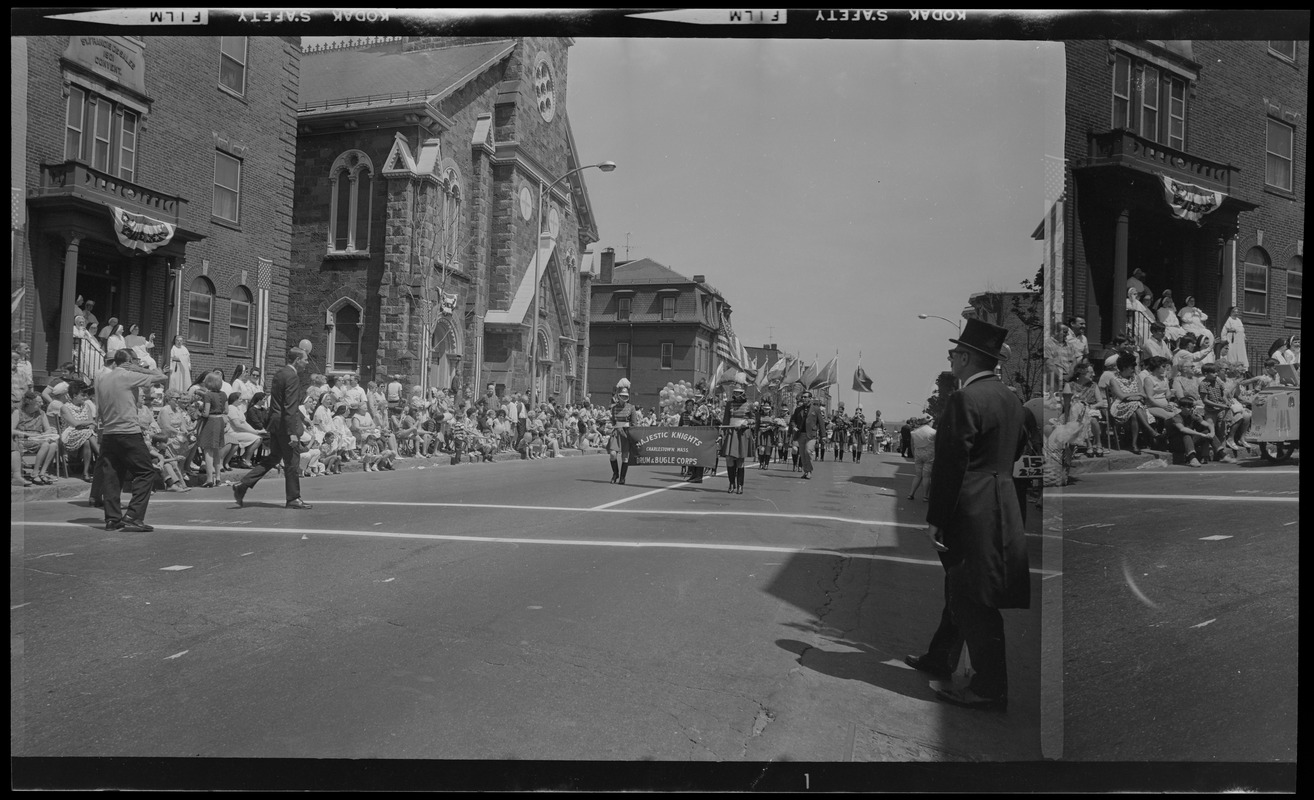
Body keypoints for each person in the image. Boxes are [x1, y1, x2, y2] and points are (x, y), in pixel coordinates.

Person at [917, 318, 1030, 712]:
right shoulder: (1010, 399)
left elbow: (951, 465)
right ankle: (940, 657)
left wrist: (937, 517)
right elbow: (1017, 450)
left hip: (971, 507)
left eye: (954, 353)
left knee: (971, 598)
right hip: (1001, 501)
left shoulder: (966, 399)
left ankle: (989, 688)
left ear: (966, 358)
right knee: (963, 588)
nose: (951, 359)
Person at [94, 348, 169, 531]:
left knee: (112, 476)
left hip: (109, 432)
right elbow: (162, 377)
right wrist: (139, 369)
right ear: (129, 361)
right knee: (146, 472)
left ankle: (112, 519)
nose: (138, 364)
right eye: (136, 360)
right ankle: (133, 516)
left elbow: (100, 408)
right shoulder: (127, 375)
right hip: (128, 431)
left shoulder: (103, 379)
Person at [233, 346, 313, 510]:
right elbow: (289, 406)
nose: (306, 363)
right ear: (297, 360)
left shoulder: (279, 374)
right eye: (305, 360)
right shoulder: (292, 376)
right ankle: (293, 498)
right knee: (292, 462)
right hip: (286, 425)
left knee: (274, 457)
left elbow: (278, 402)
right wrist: (292, 433)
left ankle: (243, 484)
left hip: (276, 423)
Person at [719, 373, 755, 494]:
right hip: (731, 432)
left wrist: (747, 422)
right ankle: (731, 483)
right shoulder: (729, 404)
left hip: (743, 433)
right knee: (729, 459)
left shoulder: (749, 404)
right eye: (735, 392)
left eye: (739, 393)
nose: (737, 395)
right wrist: (722, 433)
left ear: (743, 393)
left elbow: (754, 420)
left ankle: (740, 485)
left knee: (740, 460)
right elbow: (725, 419)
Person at [13, 390, 59, 484]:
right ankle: (35, 473)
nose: (42, 404)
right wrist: (28, 434)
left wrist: (43, 435)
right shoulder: (18, 412)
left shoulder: (41, 413)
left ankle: (41, 473)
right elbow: (12, 429)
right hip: (23, 439)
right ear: (30, 402)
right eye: (39, 402)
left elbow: (48, 429)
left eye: (42, 402)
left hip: (38, 438)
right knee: (45, 444)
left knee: (53, 445)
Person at [59, 381, 99, 480]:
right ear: (74, 395)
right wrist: (90, 423)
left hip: (86, 434)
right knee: (88, 434)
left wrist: (90, 426)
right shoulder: (65, 408)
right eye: (83, 395)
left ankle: (85, 472)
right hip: (70, 436)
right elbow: (75, 423)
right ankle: (100, 454)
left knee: (87, 440)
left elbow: (92, 425)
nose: (85, 397)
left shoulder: (86, 406)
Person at [606, 379, 639, 485]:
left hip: (626, 433)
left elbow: (634, 423)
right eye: (622, 395)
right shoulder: (614, 408)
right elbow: (613, 421)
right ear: (618, 396)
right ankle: (615, 473)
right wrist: (612, 427)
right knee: (612, 454)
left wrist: (629, 431)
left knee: (625, 457)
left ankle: (622, 477)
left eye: (626, 396)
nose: (624, 398)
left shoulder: (631, 408)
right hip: (616, 433)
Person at [788, 390, 826, 480]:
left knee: (808, 451)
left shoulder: (816, 409)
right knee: (802, 454)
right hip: (801, 434)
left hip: (811, 435)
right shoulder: (798, 409)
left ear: (810, 398)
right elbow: (792, 420)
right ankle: (806, 471)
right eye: (802, 397)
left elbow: (821, 423)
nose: (803, 398)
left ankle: (809, 471)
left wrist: (823, 436)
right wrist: (794, 427)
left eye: (805, 397)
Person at [906, 415, 936, 501]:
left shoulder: (914, 432)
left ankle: (911, 494)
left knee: (918, 475)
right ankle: (925, 496)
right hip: (929, 455)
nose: (933, 423)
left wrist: (913, 455)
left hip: (918, 455)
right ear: (929, 422)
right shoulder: (934, 432)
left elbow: (912, 445)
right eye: (932, 421)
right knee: (926, 476)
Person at [72, 314, 105, 383]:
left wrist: (99, 349)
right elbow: (79, 336)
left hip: (85, 347)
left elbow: (90, 338)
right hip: (77, 347)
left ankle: (93, 375)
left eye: (82, 322)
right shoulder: (74, 328)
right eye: (80, 322)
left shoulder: (84, 329)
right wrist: (81, 330)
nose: (81, 323)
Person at [1219, 306, 1248, 371]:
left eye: (1237, 312)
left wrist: (1244, 336)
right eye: (1234, 312)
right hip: (1232, 339)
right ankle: (1232, 367)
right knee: (1232, 353)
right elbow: (1224, 331)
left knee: (1240, 353)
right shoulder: (1228, 320)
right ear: (1231, 312)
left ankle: (1240, 367)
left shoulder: (1239, 320)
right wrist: (1224, 341)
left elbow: (1242, 330)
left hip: (1240, 341)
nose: (1236, 313)